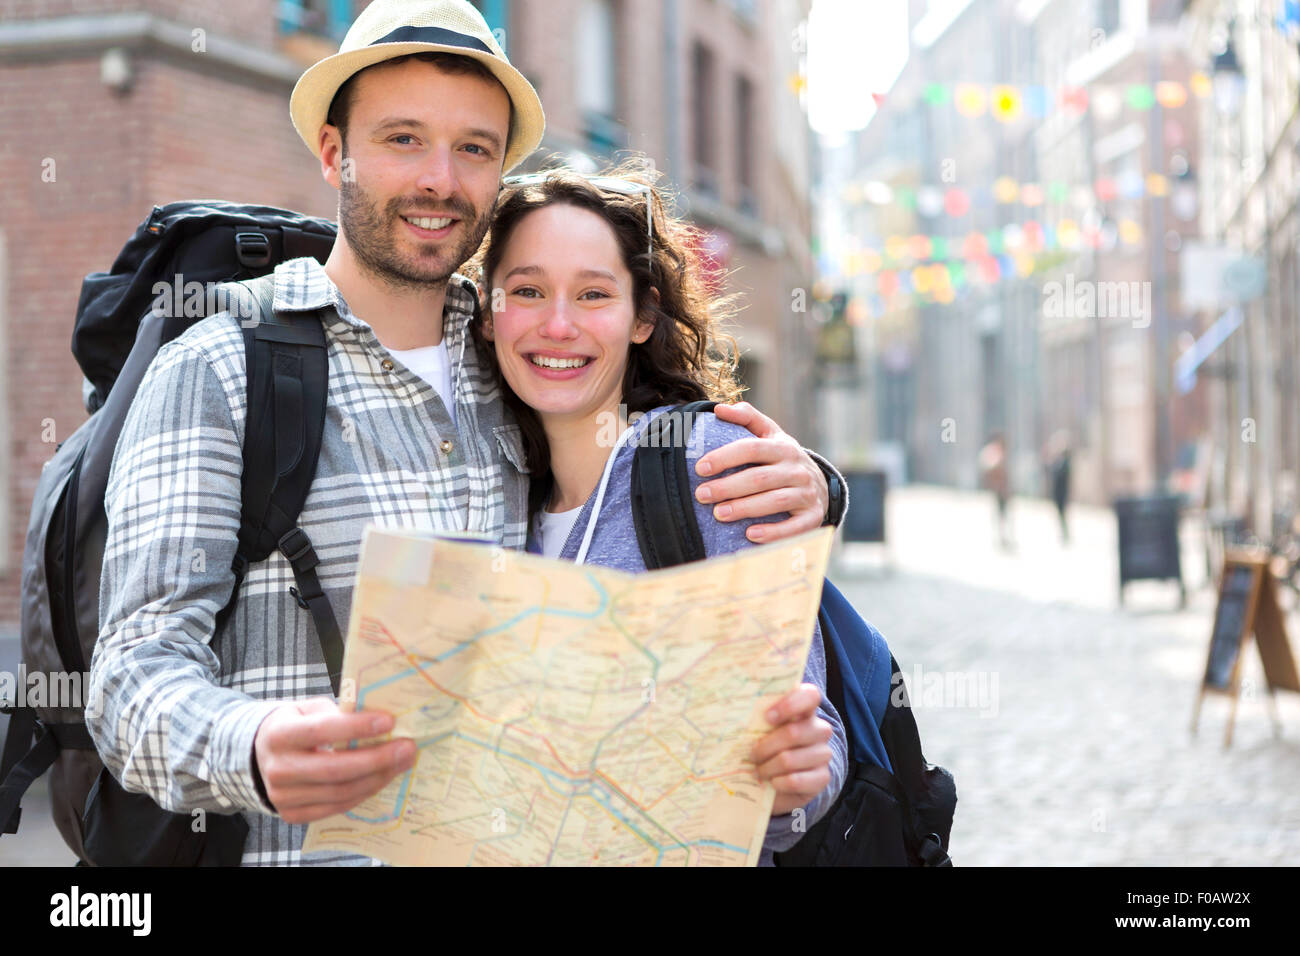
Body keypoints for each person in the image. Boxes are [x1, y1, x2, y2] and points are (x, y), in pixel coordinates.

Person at [86, 0, 844, 866]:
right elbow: (130, 678)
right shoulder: (220, 371)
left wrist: (817, 484)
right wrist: (247, 745)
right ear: (336, 151)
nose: (440, 179)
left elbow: (644, 439)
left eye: (474, 149)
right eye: (403, 138)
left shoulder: (516, 356)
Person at [470, 163, 847, 865]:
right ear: (489, 313)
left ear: (642, 316)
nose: (558, 325)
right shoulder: (483, 489)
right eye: (527, 291)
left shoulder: (713, 468)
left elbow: (809, 744)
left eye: (593, 294)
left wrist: (787, 779)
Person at [978, 432, 1012, 550]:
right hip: (998, 491)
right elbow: (988, 469)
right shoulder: (994, 454)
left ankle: (1004, 537)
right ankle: (1001, 538)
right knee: (1000, 515)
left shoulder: (1001, 454)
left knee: (1005, 515)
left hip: (1003, 491)